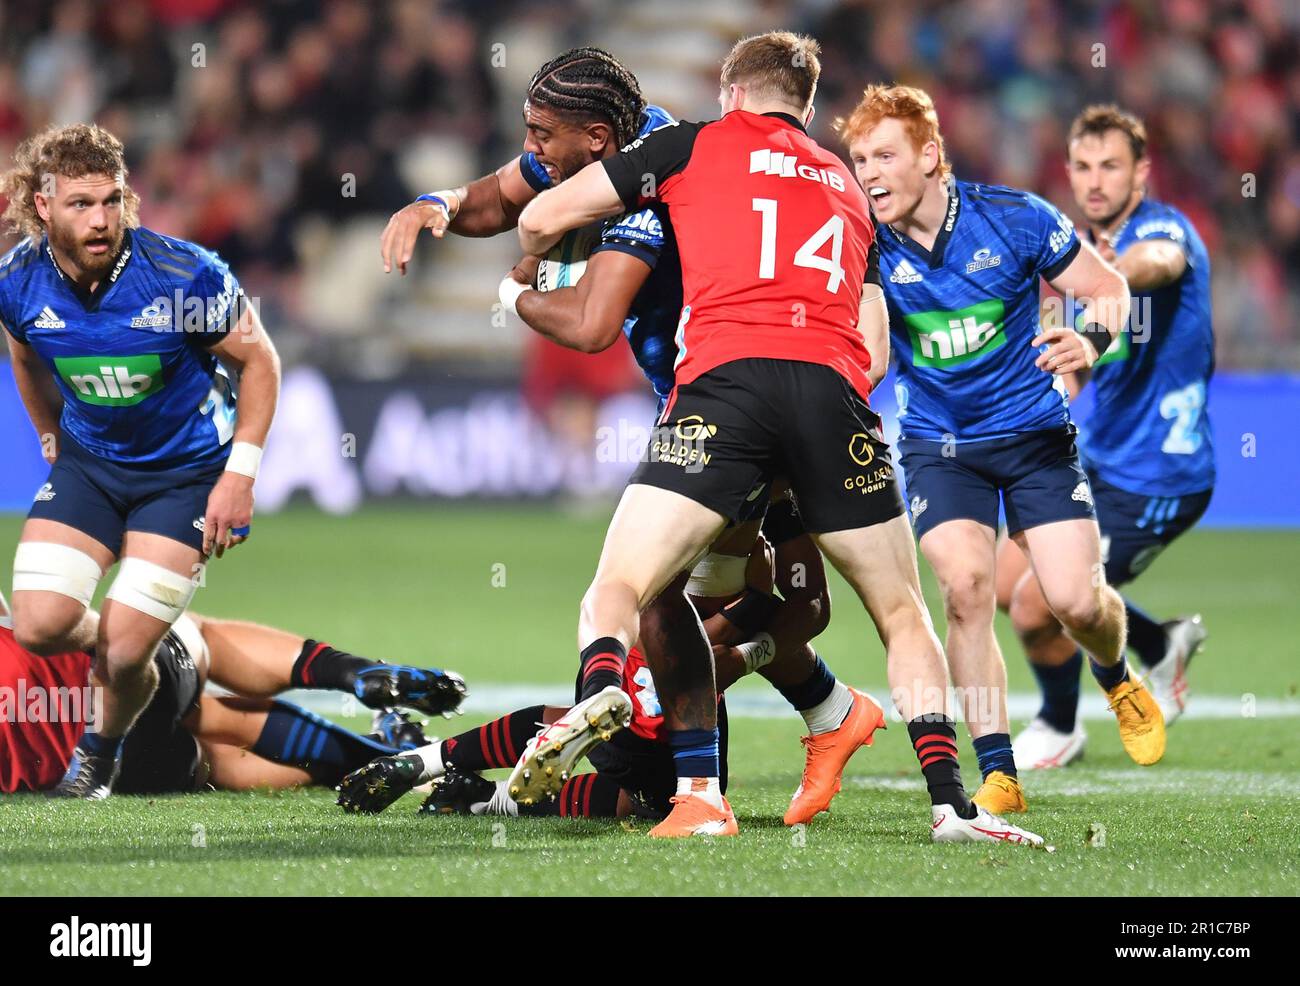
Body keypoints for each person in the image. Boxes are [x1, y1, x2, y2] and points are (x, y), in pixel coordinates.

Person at [514, 32, 1043, 845]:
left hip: (723, 389)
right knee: (904, 614)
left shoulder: (691, 144)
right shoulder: (847, 185)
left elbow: (545, 211)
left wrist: (537, 270)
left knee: (624, 588)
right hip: (832, 393)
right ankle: (951, 806)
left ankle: (649, 739)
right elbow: (875, 351)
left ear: (731, 92)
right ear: (805, 105)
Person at [384, 46, 883, 826]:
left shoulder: (650, 188)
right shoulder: (602, 150)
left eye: (542, 133)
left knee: (730, 604)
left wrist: (515, 294)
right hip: (723, 404)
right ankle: (788, 727)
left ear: (596, 141)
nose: (531, 148)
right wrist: (439, 206)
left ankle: (685, 757)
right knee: (727, 603)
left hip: (732, 406)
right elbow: (501, 196)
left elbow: (589, 323)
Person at [837, 85, 1156, 816]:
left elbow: (1106, 288)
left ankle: (1114, 674)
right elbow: (875, 349)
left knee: (1075, 602)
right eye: (859, 160)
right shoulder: (866, 242)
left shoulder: (1013, 218)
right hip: (939, 447)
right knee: (965, 588)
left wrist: (1092, 339)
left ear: (929, 155)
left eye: (885, 155)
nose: (870, 174)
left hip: (1034, 436)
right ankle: (1000, 771)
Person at [0, 123, 281, 797]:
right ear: (44, 207)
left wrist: (238, 478)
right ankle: (148, 631)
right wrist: (48, 435)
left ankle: (98, 752)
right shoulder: (18, 280)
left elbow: (261, 363)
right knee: (38, 626)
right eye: (80, 205)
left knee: (126, 652)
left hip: (183, 476)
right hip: (91, 467)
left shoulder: (185, 275)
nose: (100, 221)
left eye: (110, 201)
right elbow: (25, 351)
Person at [337, 506, 885, 826]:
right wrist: (739, 641)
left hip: (673, 661)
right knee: (643, 771)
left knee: (612, 684)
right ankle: (488, 793)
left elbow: (807, 603)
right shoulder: (716, 469)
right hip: (681, 669)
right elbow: (782, 603)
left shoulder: (752, 478)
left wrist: (741, 656)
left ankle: (442, 769)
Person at [996, 105, 1215, 770]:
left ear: (1141, 173)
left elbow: (1158, 262)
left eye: (1111, 166)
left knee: (1040, 606)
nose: (1095, 181)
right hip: (1098, 457)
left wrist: (1116, 269)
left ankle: (1060, 725)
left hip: (1160, 477)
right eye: (1084, 166)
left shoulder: (1158, 232)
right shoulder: (1074, 258)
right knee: (1008, 583)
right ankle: (1158, 640)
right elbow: (1075, 366)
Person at [0, 586, 466, 795]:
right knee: (193, 634)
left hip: (117, 771)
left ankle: (384, 754)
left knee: (214, 760)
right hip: (120, 682)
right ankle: (352, 673)